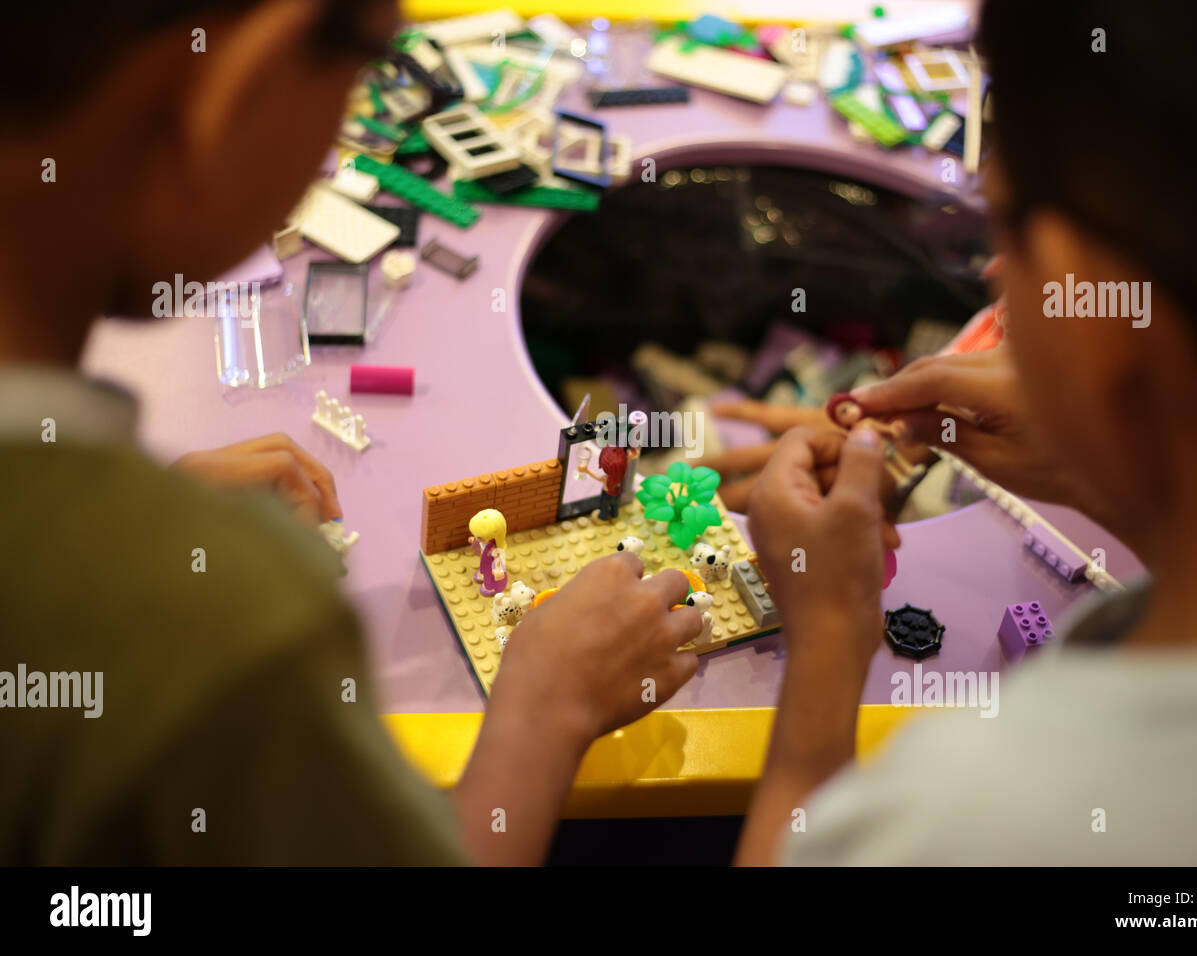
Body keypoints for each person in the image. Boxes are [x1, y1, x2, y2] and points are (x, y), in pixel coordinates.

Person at [0, 0, 701, 865]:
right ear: (240, 82)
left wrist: (117, 533)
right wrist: (546, 708)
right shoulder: (229, 623)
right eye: (366, 69)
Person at [735, 0, 1197, 865]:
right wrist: (1117, 479)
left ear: (1090, 302)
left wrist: (825, 646)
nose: (996, 274)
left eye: (1007, 232)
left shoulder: (966, 821)